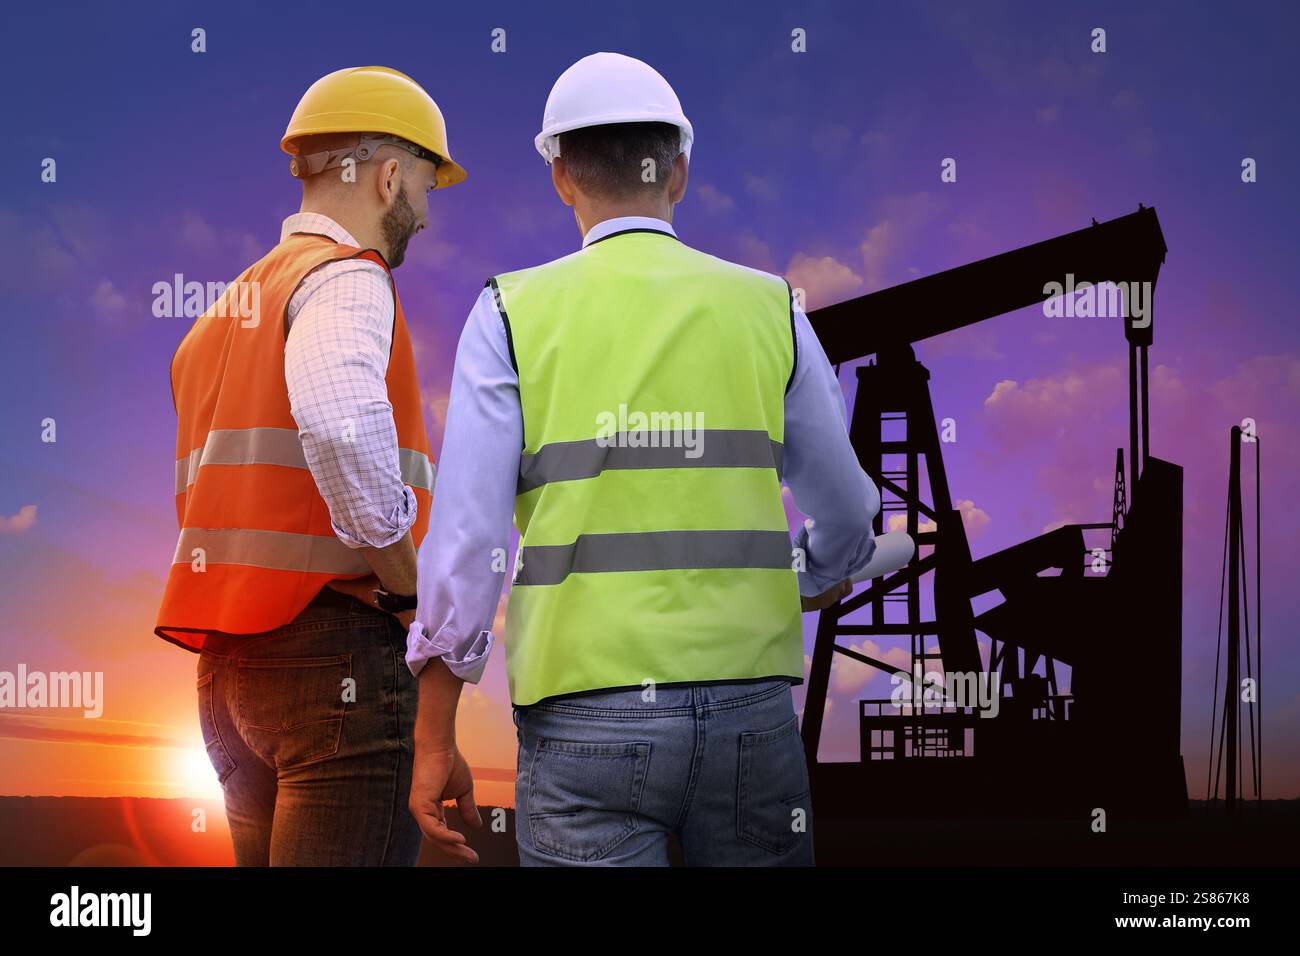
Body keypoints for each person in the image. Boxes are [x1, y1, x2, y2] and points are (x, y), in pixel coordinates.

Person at [406, 52, 879, 866]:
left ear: (561, 177)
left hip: (584, 716)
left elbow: (468, 542)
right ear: (680, 171)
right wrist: (811, 574)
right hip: (751, 713)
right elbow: (847, 511)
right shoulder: (773, 307)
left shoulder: (509, 313)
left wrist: (433, 730)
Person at [155, 66, 479, 865]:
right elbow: (339, 431)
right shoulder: (344, 279)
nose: (429, 214)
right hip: (337, 650)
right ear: (390, 173)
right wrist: (409, 600)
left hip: (231, 676)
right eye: (429, 184)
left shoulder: (227, 313)